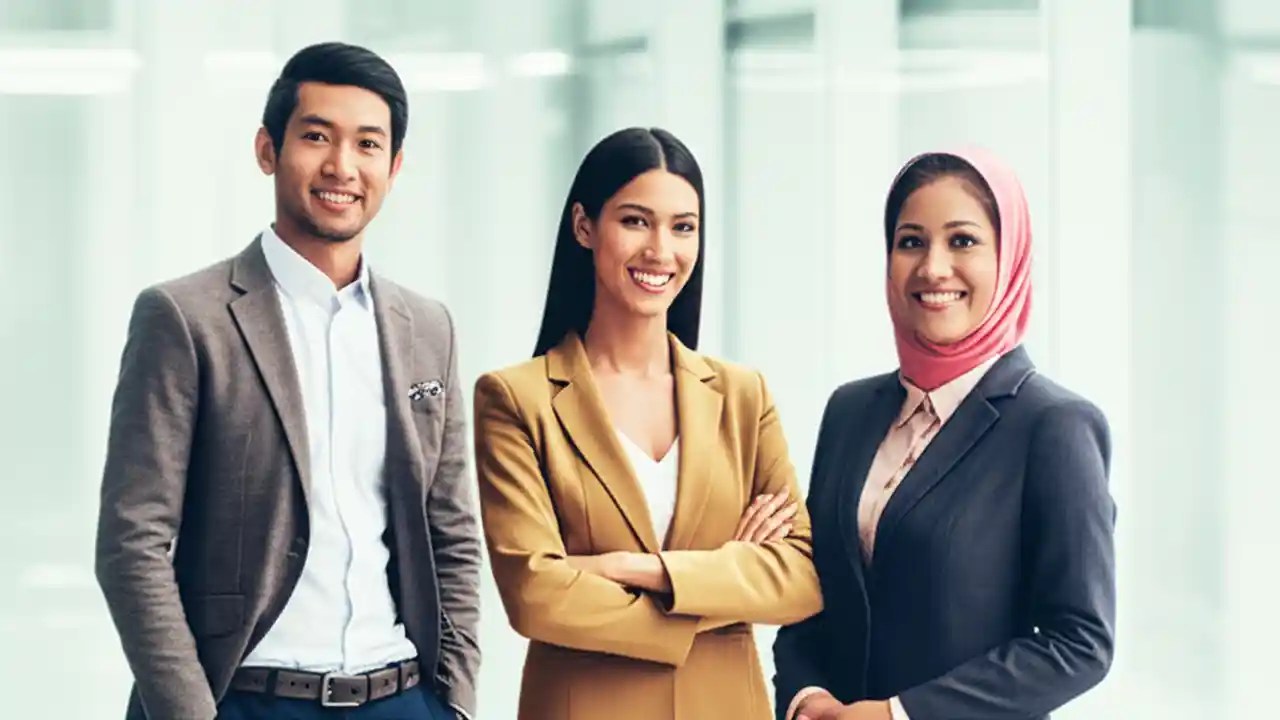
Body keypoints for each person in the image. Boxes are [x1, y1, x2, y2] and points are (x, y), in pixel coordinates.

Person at [95, 42, 480, 720]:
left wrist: (455, 701)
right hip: (246, 698)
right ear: (267, 149)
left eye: (367, 145)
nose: (342, 166)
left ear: (392, 168)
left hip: (402, 697)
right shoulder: (186, 318)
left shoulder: (427, 328)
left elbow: (449, 531)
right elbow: (132, 544)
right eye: (316, 137)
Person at [471, 127, 823, 719]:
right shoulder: (516, 399)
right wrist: (728, 575)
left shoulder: (742, 395)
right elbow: (535, 595)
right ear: (585, 227)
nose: (662, 250)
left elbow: (800, 576)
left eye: (683, 227)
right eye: (636, 221)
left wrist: (638, 569)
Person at [773, 148, 1116, 720]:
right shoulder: (850, 410)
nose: (933, 267)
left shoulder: (1054, 425)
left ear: (1008, 259)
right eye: (911, 241)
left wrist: (897, 715)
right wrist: (807, 697)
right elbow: (817, 589)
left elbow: (1080, 641)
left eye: (963, 241)